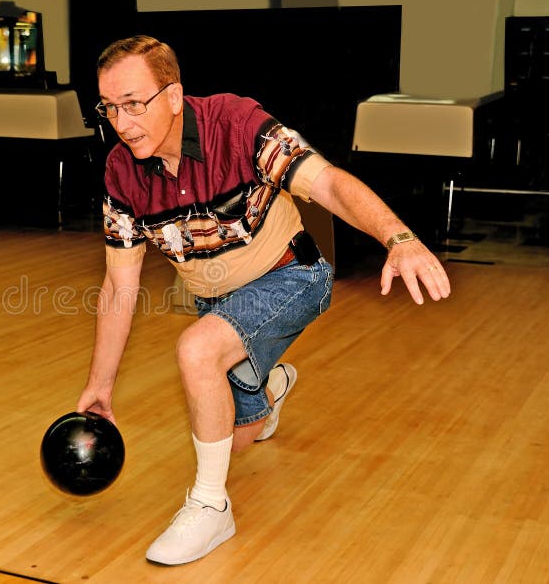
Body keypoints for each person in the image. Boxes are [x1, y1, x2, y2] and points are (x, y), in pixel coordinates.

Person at [76, 35, 451, 566]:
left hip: (293, 277)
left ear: (175, 95)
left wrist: (398, 237)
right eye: (109, 107)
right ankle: (270, 384)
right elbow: (119, 287)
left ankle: (211, 507)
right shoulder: (122, 171)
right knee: (238, 438)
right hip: (219, 304)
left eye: (134, 103)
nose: (122, 121)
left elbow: (328, 184)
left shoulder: (237, 125)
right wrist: (100, 386)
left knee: (197, 351)